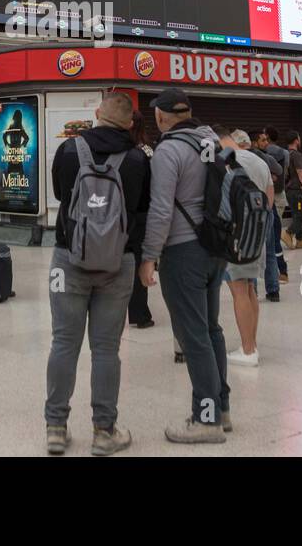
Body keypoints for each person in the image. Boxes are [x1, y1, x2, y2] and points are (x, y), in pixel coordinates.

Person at [45, 93, 150, 456]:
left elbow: (61, 193)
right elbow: (142, 211)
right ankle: (104, 432)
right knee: (106, 349)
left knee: (63, 343)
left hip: (67, 258)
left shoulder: (69, 150)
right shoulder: (138, 159)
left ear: (96, 114)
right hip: (118, 262)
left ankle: (56, 428)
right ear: (130, 123)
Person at [138, 89, 230, 443]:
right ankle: (221, 409)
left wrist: (149, 256)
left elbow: (161, 210)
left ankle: (205, 420)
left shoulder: (168, 150)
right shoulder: (211, 141)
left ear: (161, 117)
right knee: (211, 329)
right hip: (214, 247)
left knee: (193, 335)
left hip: (183, 251)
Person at [217, 128, 272, 367]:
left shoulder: (227, 163)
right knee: (250, 290)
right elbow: (269, 200)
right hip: (257, 234)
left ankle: (248, 351)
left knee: (239, 291)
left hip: (235, 237)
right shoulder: (259, 162)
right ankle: (251, 343)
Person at [127, 111, 155, 328]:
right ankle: (140, 314)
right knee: (138, 264)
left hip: (118, 215)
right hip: (142, 216)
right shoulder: (147, 150)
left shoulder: (121, 149)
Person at [255, 128, 290, 298]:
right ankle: (275, 285)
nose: (265, 143)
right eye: (262, 140)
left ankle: (252, 291)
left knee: (249, 252)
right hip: (268, 204)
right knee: (271, 245)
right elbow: (280, 171)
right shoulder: (267, 157)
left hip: (250, 209)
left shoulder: (236, 157)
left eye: (266, 139)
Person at [280, 130, 302, 249]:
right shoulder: (296, 155)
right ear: (296, 141)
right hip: (297, 188)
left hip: (288, 189)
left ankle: (301, 240)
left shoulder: (285, 154)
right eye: (299, 138)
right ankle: (288, 233)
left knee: (296, 214)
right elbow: (300, 171)